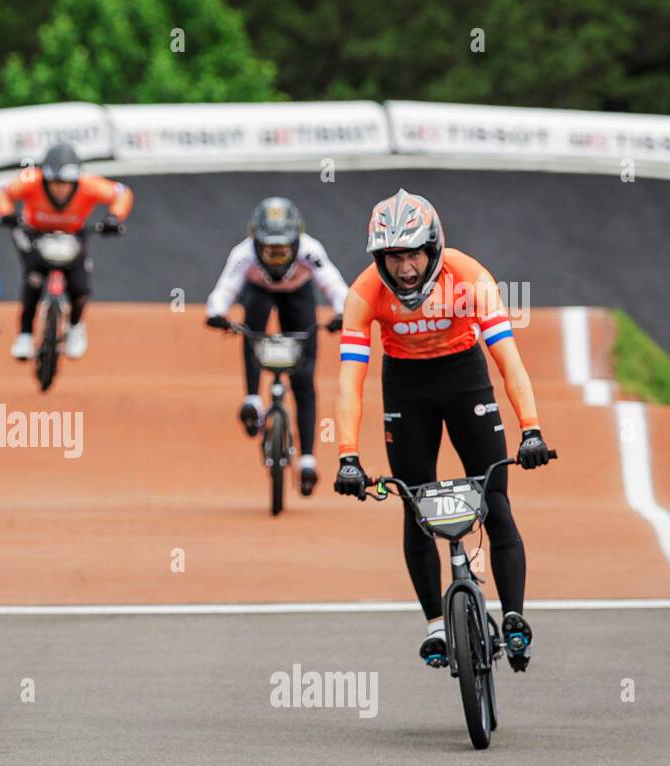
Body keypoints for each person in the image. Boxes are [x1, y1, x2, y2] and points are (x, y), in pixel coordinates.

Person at [332, 189, 553, 671]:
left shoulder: (470, 276)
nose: (405, 268)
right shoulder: (364, 292)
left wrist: (531, 429)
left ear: (433, 248)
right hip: (406, 389)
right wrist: (348, 455)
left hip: (465, 381)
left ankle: (513, 617)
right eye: (393, 257)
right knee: (413, 506)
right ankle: (435, 624)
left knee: (494, 502)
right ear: (378, 257)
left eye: (413, 253)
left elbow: (507, 359)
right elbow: (351, 377)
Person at [205, 198, 349, 495]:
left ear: (296, 243)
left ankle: (307, 460)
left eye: (282, 250)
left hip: (298, 295)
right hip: (259, 292)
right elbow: (226, 287)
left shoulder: (311, 250)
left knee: (304, 377)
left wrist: (342, 313)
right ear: (255, 243)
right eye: (269, 250)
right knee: (251, 331)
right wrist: (216, 313)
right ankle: (253, 400)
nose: (276, 257)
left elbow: (334, 284)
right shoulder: (243, 254)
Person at [0, 143, 132, 361]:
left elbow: (122, 193)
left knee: (80, 286)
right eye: (55, 182)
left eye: (66, 183)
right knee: (33, 281)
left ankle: (76, 326)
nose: (60, 188)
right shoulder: (32, 180)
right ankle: (25, 334)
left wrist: (115, 217)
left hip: (73, 236)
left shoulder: (89, 184)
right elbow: (2, 189)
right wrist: (6, 212)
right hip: (34, 234)